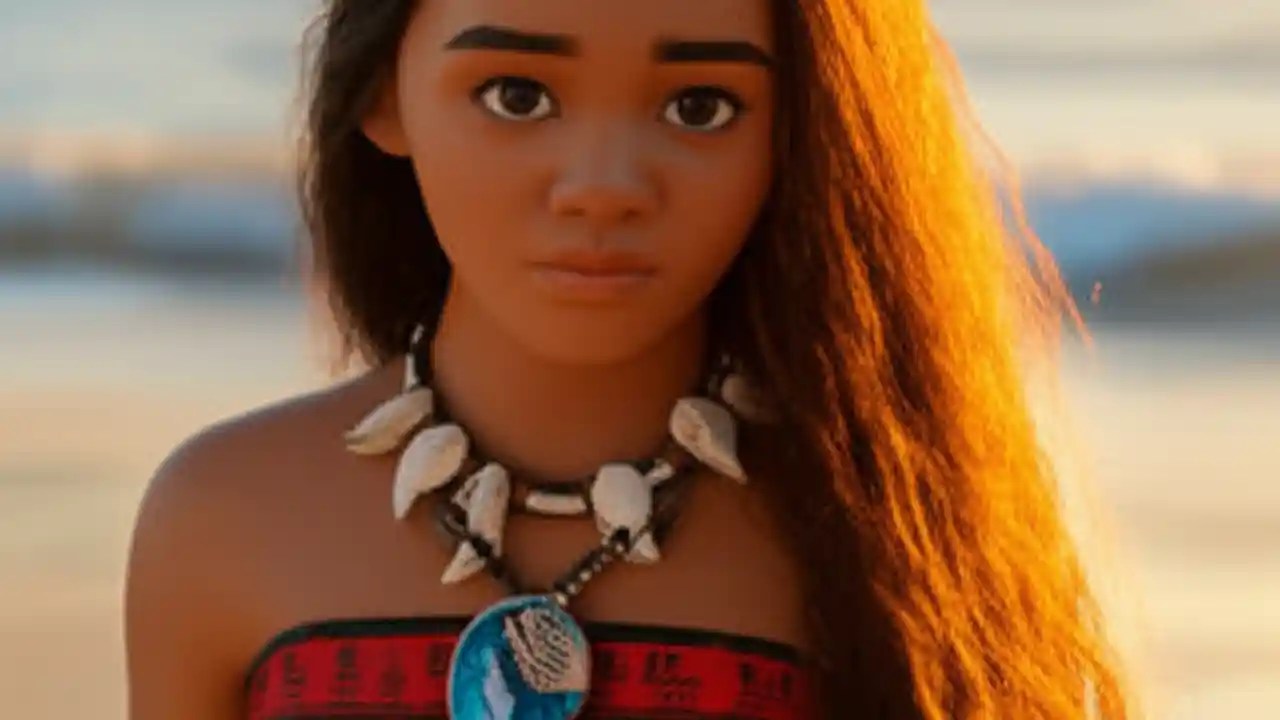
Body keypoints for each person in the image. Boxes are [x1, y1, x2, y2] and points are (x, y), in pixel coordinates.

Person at [124, 0, 1133, 718]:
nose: (602, 187)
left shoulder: (897, 530)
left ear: (800, 133)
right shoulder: (224, 520)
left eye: (699, 106)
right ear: (381, 93)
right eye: (515, 94)